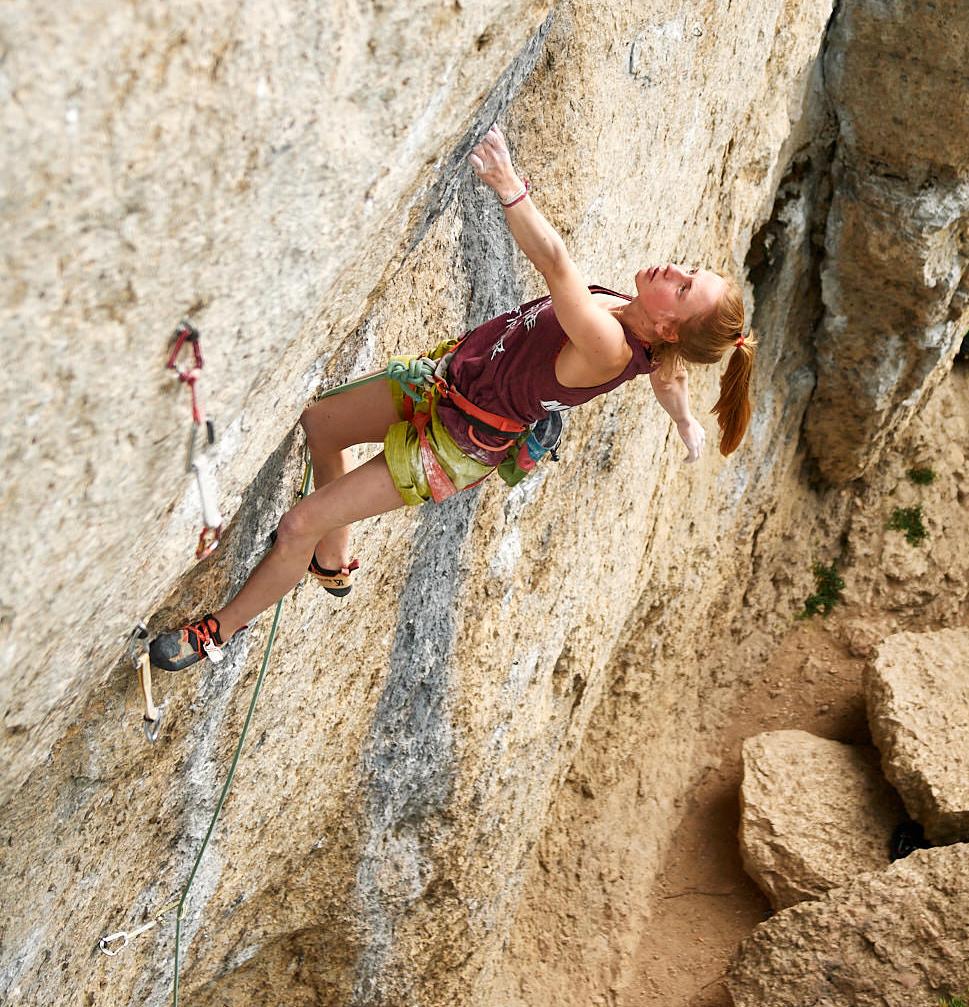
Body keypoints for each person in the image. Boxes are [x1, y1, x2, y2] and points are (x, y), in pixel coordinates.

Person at [150, 125, 755, 671]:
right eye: (689, 270)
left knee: (297, 522)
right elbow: (670, 377)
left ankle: (214, 632)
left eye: (683, 287)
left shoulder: (609, 346)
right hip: (451, 382)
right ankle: (332, 558)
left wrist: (509, 186)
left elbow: (555, 263)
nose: (673, 270)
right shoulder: (642, 330)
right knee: (321, 423)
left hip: (457, 441)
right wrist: (684, 423)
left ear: (670, 328)